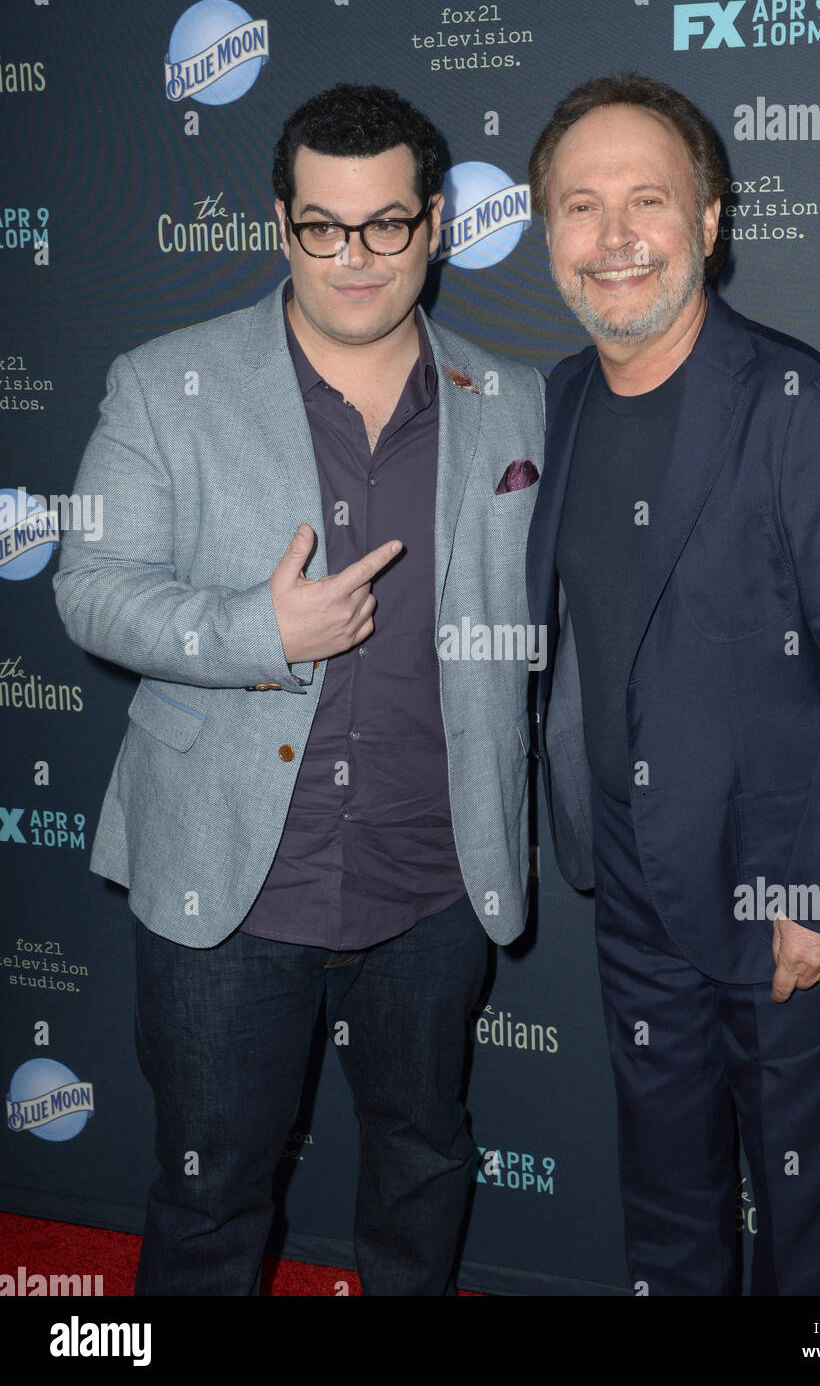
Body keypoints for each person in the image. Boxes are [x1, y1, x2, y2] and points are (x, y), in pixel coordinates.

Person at [54, 84, 544, 1296]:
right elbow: (91, 586)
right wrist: (254, 628)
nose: (356, 256)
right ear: (281, 225)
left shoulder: (514, 401)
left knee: (425, 1165)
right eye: (323, 225)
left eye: (385, 224)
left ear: (434, 226)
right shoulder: (165, 382)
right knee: (210, 1193)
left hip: (433, 875)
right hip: (227, 878)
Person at [526, 73, 820, 1295]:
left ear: (708, 222)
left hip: (786, 907)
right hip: (633, 891)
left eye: (649, 199)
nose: (615, 236)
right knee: (668, 1212)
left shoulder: (809, 408)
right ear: (546, 236)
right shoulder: (557, 403)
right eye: (581, 207)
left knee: (808, 1234)